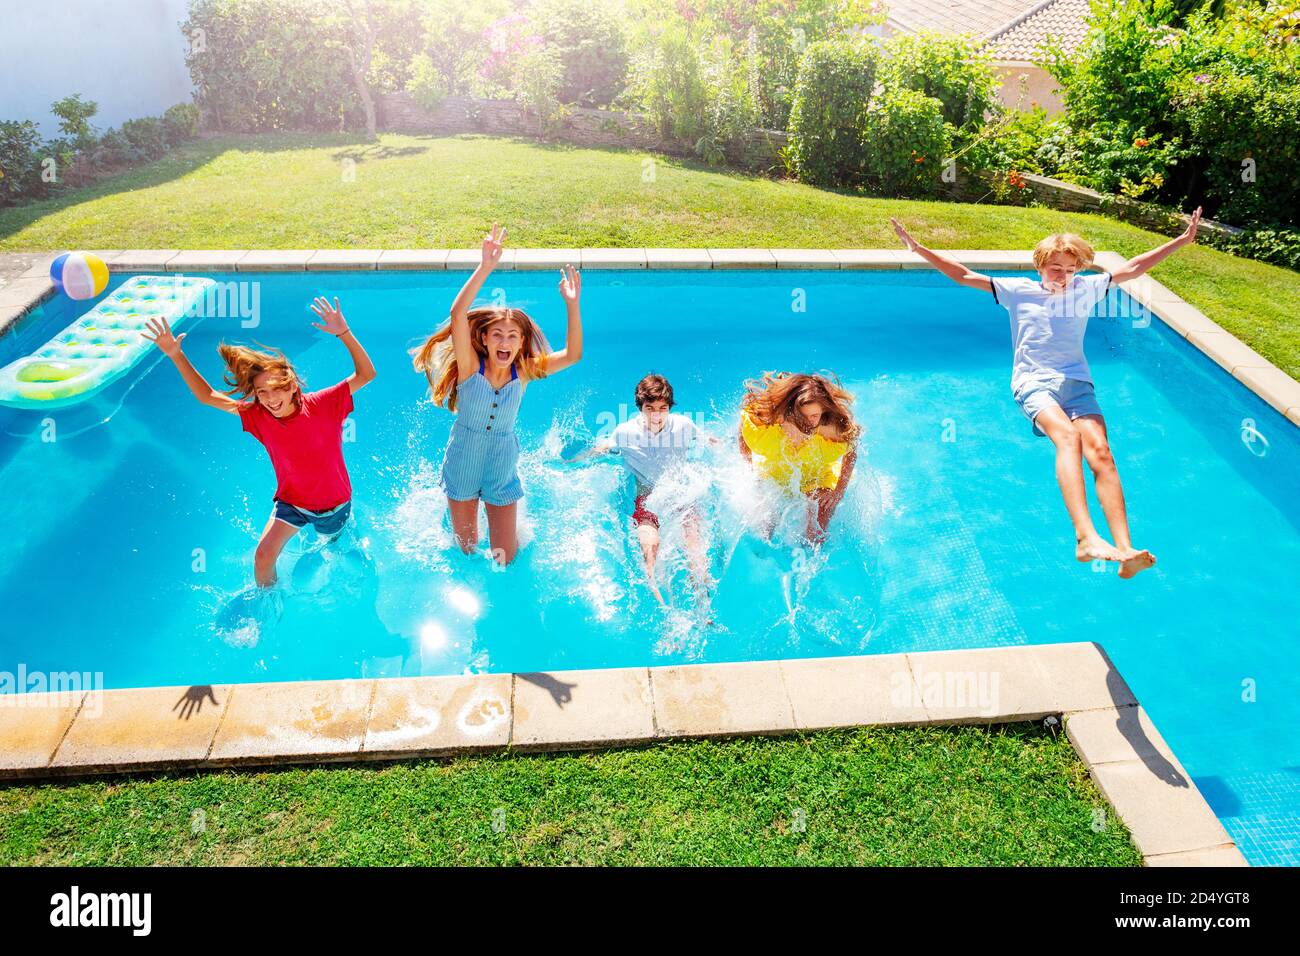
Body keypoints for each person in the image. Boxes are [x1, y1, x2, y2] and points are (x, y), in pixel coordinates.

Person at [890, 211, 1203, 578]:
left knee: (1101, 452)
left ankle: (1125, 549)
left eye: (1070, 269)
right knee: (1068, 438)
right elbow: (963, 275)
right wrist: (918, 248)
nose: (1063, 275)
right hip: (1033, 383)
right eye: (1056, 267)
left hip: (1077, 384)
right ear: (1041, 266)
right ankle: (1085, 537)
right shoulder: (1018, 291)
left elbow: (1133, 268)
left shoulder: (1087, 288)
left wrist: (1182, 240)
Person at [143, 296, 375, 586]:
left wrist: (344, 332)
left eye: (274, 389)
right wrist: (176, 355)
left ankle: (334, 543)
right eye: (261, 392)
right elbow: (207, 396)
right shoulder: (258, 416)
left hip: (333, 505)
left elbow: (367, 374)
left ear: (291, 386)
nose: (269, 398)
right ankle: (269, 603)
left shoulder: (325, 403)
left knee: (333, 550)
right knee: (263, 556)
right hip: (292, 502)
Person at [411, 223, 584, 565]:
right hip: (463, 459)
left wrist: (572, 305)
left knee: (504, 558)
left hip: (502, 462)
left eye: (512, 336)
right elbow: (457, 313)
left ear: (521, 343)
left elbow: (573, 355)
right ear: (485, 340)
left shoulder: (526, 372)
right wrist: (485, 266)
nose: (504, 342)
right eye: (497, 335)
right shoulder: (469, 367)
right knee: (466, 551)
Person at [572, 373, 714, 603]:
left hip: (679, 494)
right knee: (650, 552)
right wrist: (574, 461)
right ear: (640, 407)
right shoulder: (625, 432)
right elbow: (605, 448)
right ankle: (664, 605)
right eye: (650, 408)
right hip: (647, 498)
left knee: (694, 546)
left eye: (663, 408)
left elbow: (708, 441)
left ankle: (701, 597)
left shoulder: (684, 426)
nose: (657, 415)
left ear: (669, 407)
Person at [738, 371, 860, 545]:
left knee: (816, 533)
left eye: (814, 415)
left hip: (816, 478)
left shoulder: (828, 428)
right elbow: (744, 424)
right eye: (803, 416)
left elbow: (853, 445)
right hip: (775, 477)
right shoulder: (769, 423)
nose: (809, 422)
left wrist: (839, 489)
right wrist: (748, 466)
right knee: (763, 534)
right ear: (790, 411)